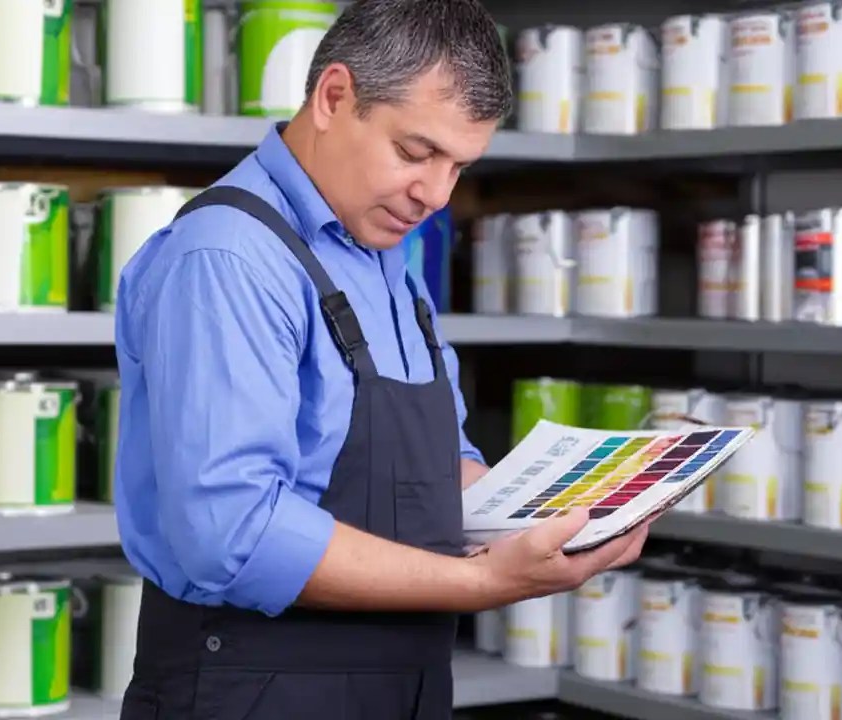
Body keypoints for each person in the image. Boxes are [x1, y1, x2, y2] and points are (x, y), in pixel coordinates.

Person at [111, 1, 650, 717]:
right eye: (416, 152)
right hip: (256, 690)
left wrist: (557, 517)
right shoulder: (228, 258)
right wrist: (484, 584)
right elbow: (232, 532)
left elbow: (435, 467)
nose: (436, 195)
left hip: (402, 684)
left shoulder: (381, 256)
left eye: (459, 166)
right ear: (335, 97)